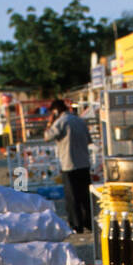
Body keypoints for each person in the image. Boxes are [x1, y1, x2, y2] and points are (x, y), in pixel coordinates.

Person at [43, 99, 91, 234]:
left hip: (69, 164)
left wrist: (50, 122)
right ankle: (88, 222)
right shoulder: (79, 121)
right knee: (85, 196)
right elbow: (88, 140)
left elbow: (47, 136)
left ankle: (77, 225)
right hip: (84, 163)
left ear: (55, 111)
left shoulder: (61, 122)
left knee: (72, 197)